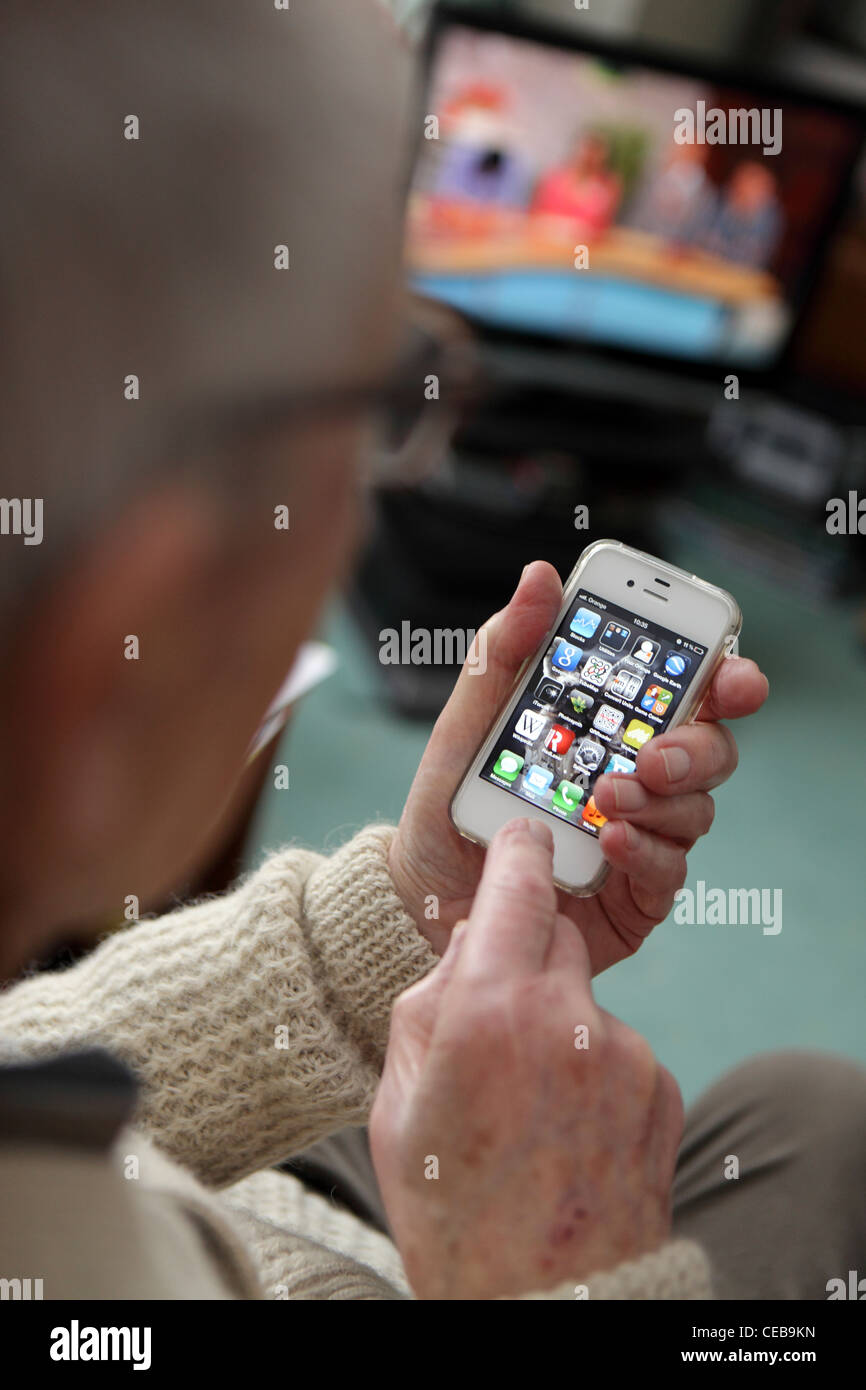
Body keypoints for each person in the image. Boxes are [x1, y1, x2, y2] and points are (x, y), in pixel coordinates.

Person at [1, 0, 864, 1303]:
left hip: (220, 1201)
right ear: (133, 636)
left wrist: (397, 916)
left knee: (812, 1102)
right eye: (392, 388)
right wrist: (546, 1274)